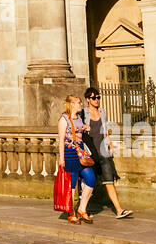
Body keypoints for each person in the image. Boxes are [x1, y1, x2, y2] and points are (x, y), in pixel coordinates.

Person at [79, 89, 133, 219]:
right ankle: (81, 210)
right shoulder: (83, 113)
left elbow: (105, 129)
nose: (96, 100)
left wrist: (109, 143)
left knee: (109, 181)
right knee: (87, 182)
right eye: (93, 98)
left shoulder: (102, 112)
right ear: (87, 99)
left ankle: (119, 210)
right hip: (90, 153)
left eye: (98, 97)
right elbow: (77, 129)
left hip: (103, 151)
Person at [57, 94, 96, 224]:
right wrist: (61, 159)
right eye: (78, 103)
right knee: (72, 183)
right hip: (70, 153)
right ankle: (71, 212)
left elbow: (80, 132)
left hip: (81, 152)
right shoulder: (64, 119)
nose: (81, 104)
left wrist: (86, 128)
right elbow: (61, 140)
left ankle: (82, 208)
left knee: (91, 178)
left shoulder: (79, 118)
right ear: (72, 104)